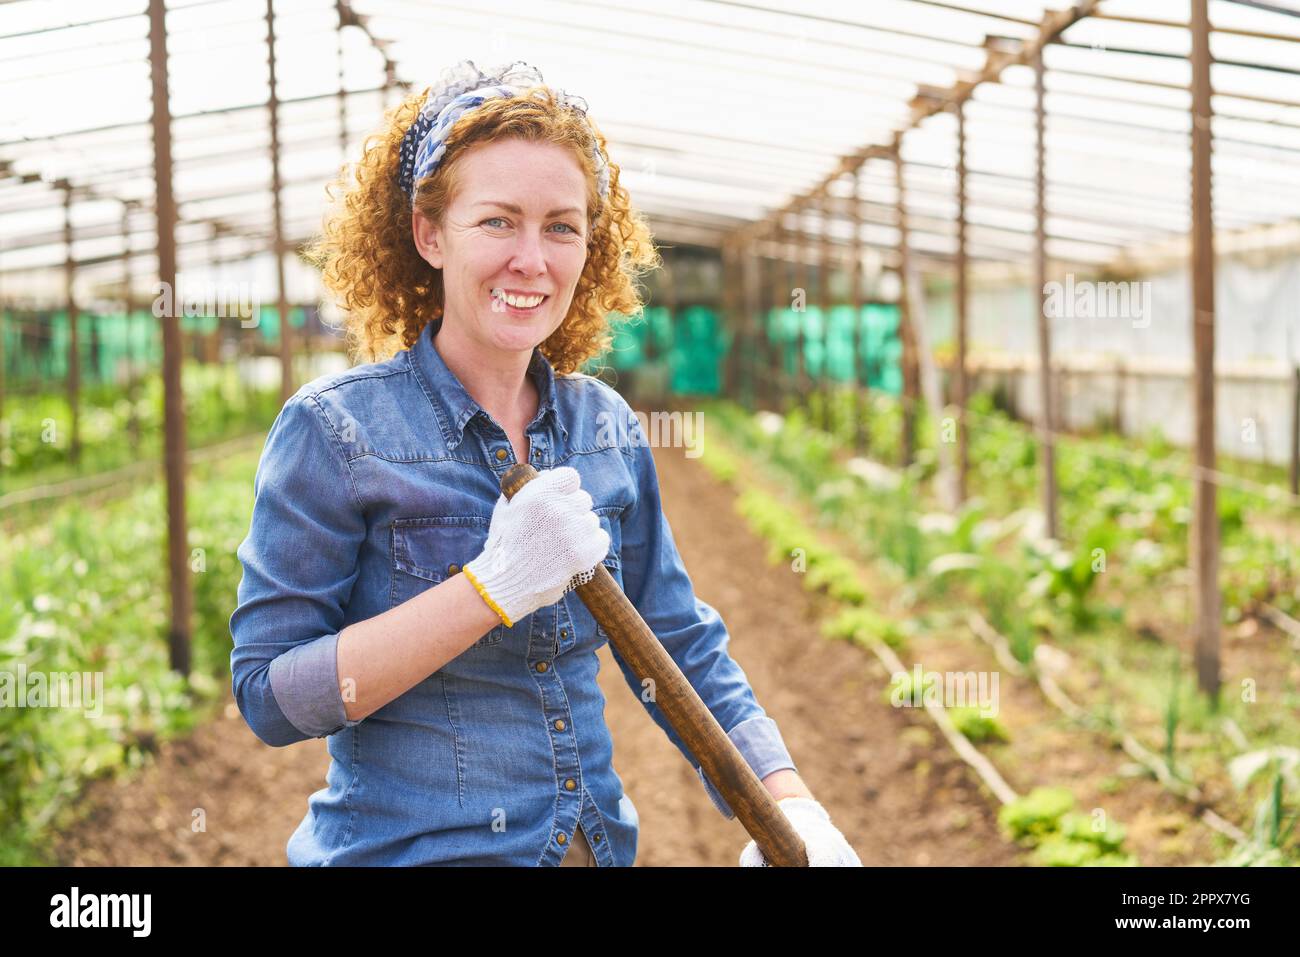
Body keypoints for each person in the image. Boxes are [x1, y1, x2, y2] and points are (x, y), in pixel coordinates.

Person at [229, 59, 859, 867]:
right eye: (498, 221)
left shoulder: (606, 428)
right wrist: (487, 589)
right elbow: (271, 697)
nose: (533, 258)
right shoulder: (337, 430)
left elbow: (677, 641)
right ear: (429, 234)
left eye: (562, 226)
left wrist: (791, 803)